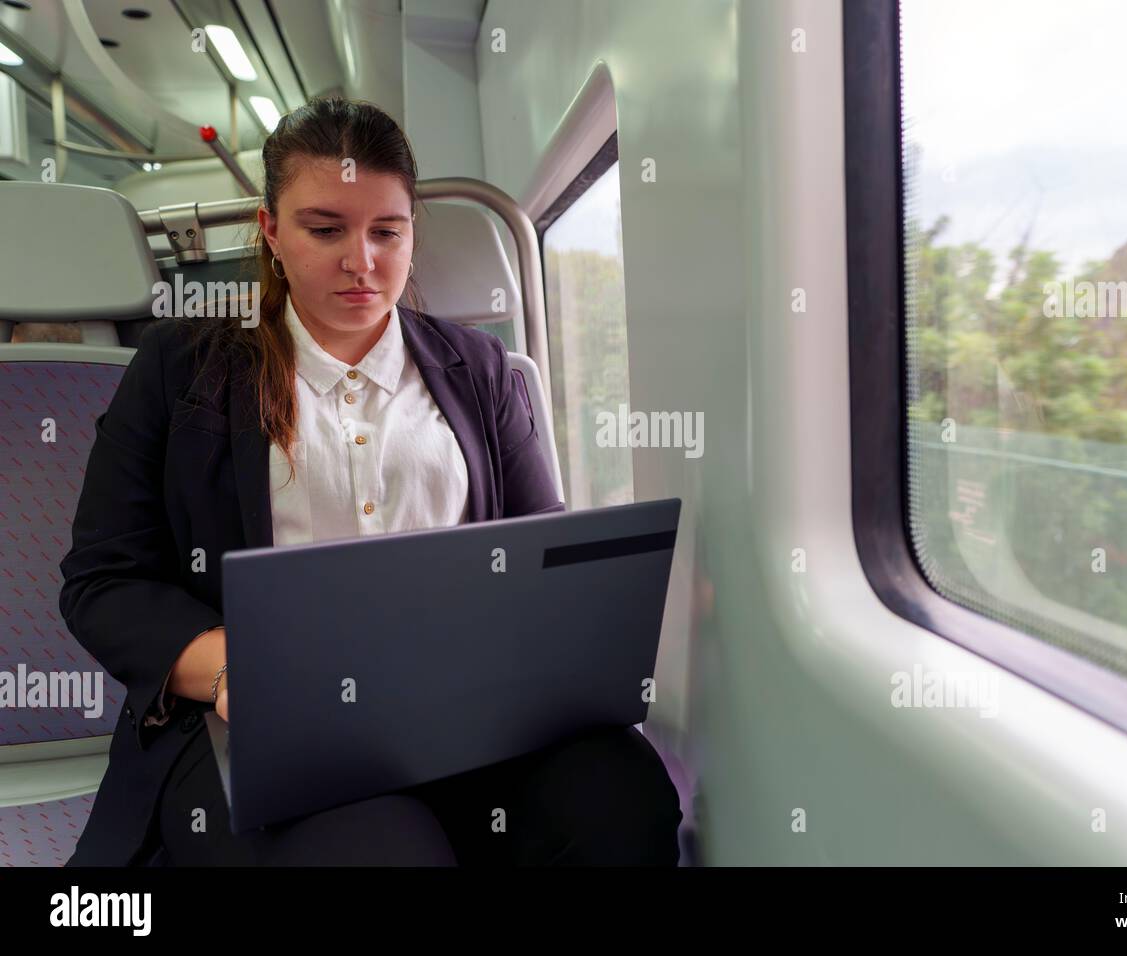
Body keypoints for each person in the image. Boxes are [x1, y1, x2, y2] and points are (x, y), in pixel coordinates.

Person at [58, 97, 682, 866]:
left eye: (387, 231)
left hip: (465, 710)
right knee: (380, 853)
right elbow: (103, 580)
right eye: (326, 229)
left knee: (622, 798)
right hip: (270, 722)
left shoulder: (479, 371)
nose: (363, 261)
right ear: (270, 231)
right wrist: (230, 668)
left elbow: (536, 549)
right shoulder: (181, 371)